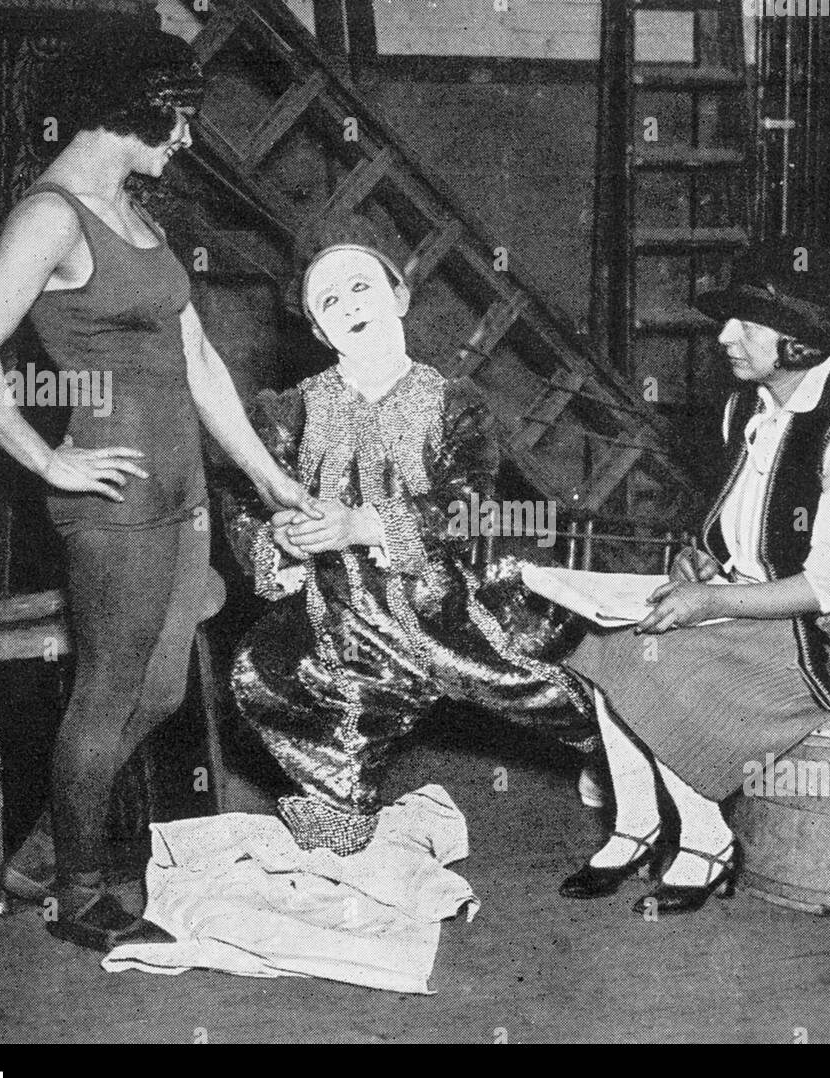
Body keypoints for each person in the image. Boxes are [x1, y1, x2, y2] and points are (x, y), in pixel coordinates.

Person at [0, 30, 318, 951]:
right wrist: (48, 459)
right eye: (180, 114)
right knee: (107, 696)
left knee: (157, 695)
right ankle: (80, 895)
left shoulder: (135, 211)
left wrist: (272, 482)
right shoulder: (52, 217)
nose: (186, 137)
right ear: (137, 107)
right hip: (112, 498)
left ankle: (38, 843)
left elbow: (197, 360)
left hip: (183, 486)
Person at [560, 237, 830, 916]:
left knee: (662, 664)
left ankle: (707, 842)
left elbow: (825, 586)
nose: (724, 336)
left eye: (747, 322)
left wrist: (708, 600)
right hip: (767, 604)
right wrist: (702, 560)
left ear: (800, 338)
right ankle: (636, 825)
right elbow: (741, 528)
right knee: (602, 645)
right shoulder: (748, 410)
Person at [219, 231, 597, 856]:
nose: (350, 307)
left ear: (398, 297)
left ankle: (616, 752)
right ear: (318, 331)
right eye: (329, 302)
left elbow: (467, 506)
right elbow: (242, 498)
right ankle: (340, 832)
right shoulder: (288, 412)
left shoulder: (455, 404)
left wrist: (363, 526)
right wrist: (279, 538)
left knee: (539, 688)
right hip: (338, 612)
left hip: (448, 603)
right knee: (274, 678)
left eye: (362, 287)